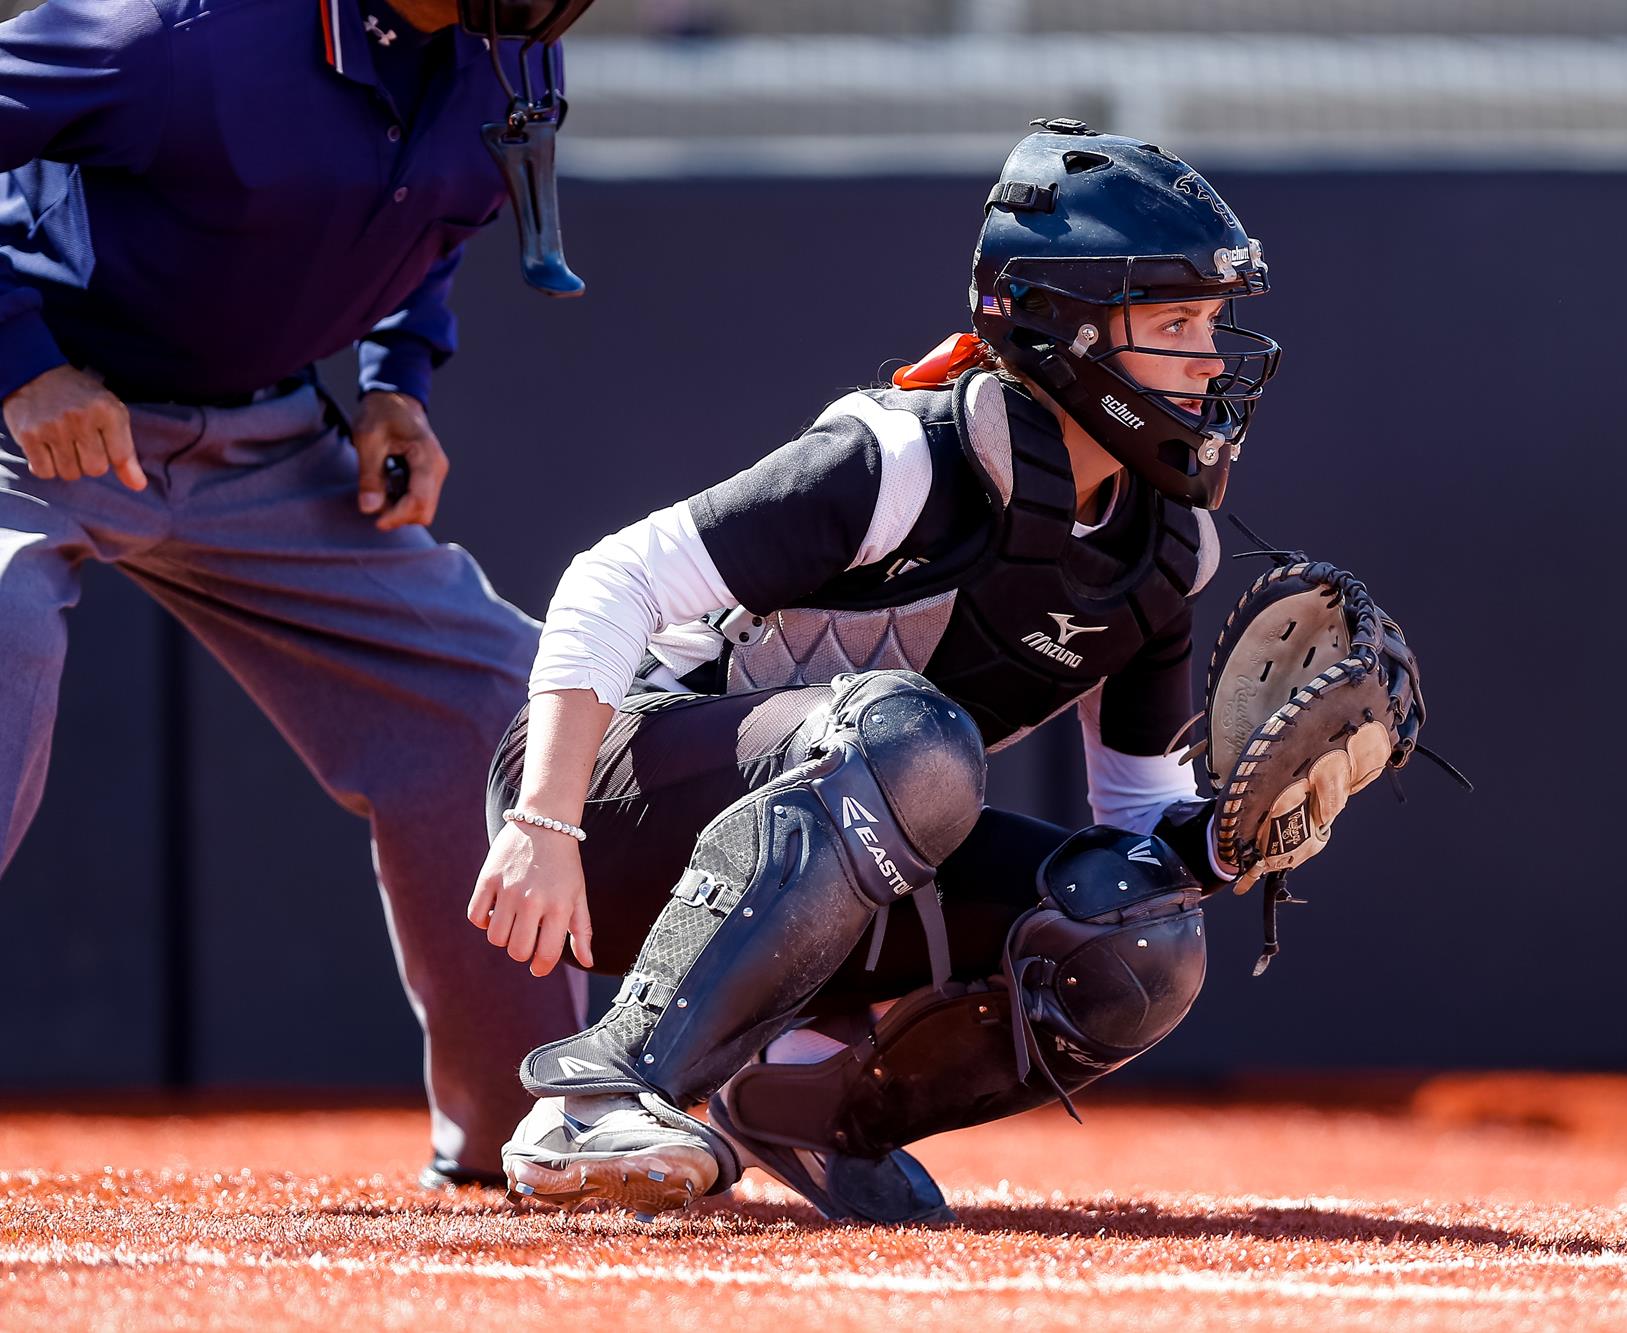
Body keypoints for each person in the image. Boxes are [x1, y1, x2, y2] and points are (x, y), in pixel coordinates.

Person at [466, 119, 1402, 1225]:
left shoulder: (1164, 552)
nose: (1209, 359)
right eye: (1175, 322)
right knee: (913, 742)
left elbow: (1138, 825)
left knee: (1142, 934)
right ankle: (598, 1095)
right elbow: (607, 578)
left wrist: (1227, 840)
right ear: (1067, 328)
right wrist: (545, 820)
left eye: (1210, 322)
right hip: (609, 795)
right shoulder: (902, 458)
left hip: (848, 818)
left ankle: (802, 1105)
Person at [0, 0, 595, 1183]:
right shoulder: (172, 31)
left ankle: (521, 1139)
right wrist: (19, 363)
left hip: (264, 441)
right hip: (39, 422)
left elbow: (435, 212)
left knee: (488, 700)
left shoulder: (512, 40)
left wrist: (396, 380)